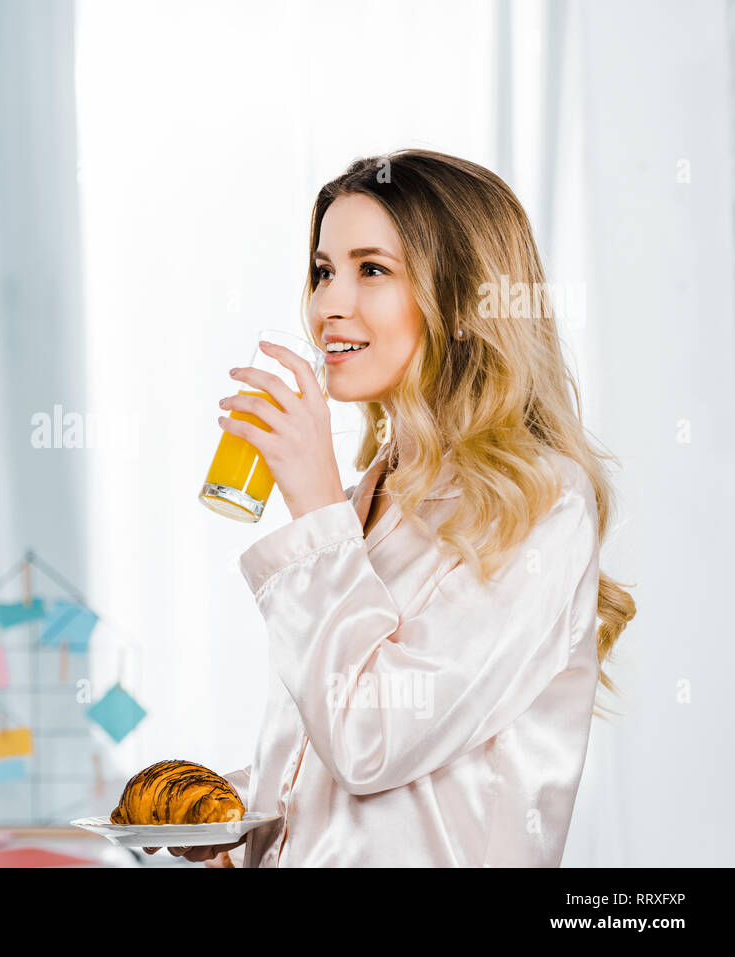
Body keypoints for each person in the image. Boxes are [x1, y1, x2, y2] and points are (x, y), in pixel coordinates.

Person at [147, 149, 636, 867]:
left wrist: (312, 502)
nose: (327, 305)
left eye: (371, 269)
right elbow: (340, 773)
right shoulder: (364, 502)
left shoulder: (539, 505)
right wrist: (234, 821)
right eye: (322, 271)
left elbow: (371, 738)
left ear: (467, 301)